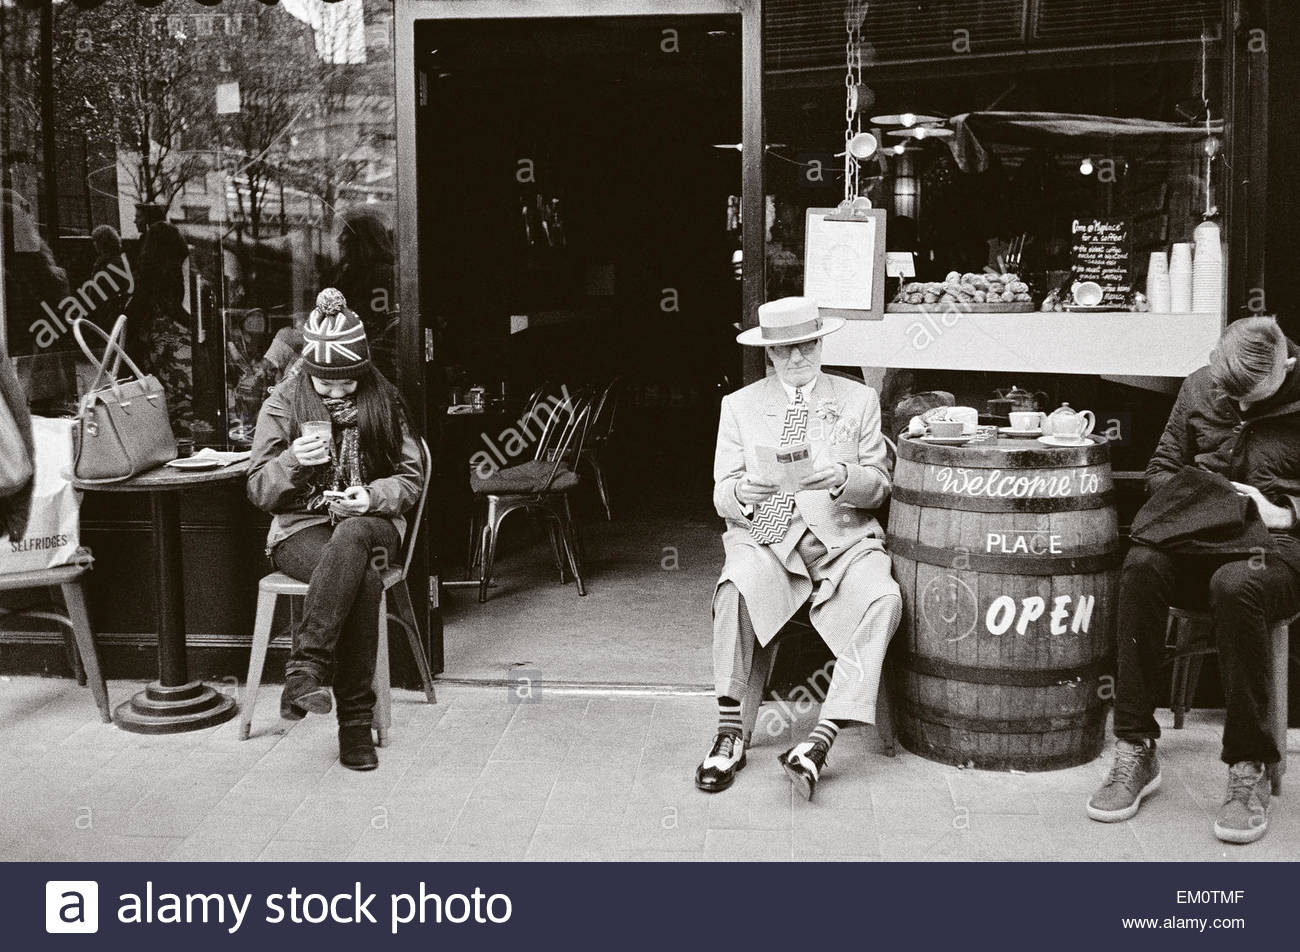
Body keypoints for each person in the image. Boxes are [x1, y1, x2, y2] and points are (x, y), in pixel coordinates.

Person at [1088, 316, 1300, 844]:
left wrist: (1285, 512)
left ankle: (1248, 765)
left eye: (1254, 397)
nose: (1243, 408)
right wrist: (1212, 496)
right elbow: (1160, 469)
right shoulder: (1201, 385)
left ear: (1287, 366)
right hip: (1196, 538)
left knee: (1236, 586)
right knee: (1138, 567)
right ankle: (1136, 746)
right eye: (1233, 398)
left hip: (1275, 552)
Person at [696, 296, 901, 801]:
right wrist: (743, 492)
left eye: (806, 345)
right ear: (769, 355)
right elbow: (721, 492)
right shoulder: (739, 406)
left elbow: (879, 484)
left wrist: (844, 478)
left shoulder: (858, 400)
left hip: (843, 542)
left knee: (884, 598)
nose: (798, 358)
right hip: (769, 540)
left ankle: (819, 741)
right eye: (785, 351)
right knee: (734, 589)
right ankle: (728, 733)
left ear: (819, 343)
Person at [246, 288, 423, 771]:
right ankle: (354, 726)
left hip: (374, 523)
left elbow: (411, 479)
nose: (340, 392)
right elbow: (259, 491)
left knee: (353, 536)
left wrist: (371, 496)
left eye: (350, 383)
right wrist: (290, 464)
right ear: (308, 371)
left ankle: (305, 668)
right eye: (328, 385)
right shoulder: (282, 403)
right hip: (300, 527)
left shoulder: (384, 398)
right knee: (360, 578)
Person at [332, 208, 397, 380]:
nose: (339, 242)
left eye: (346, 240)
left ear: (361, 243)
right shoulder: (349, 275)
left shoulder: (381, 274)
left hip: (370, 354)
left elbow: (377, 318)